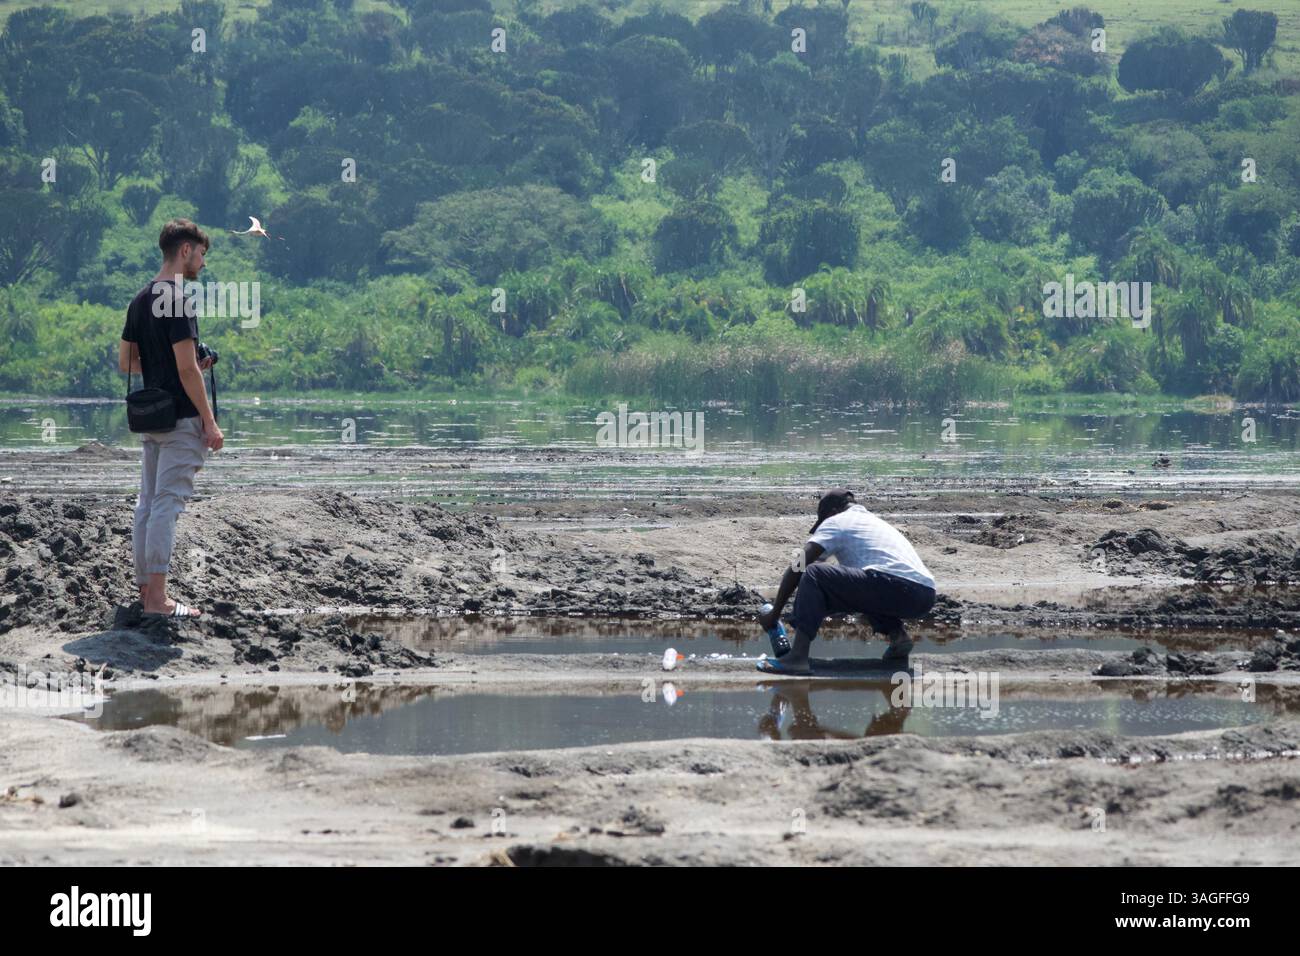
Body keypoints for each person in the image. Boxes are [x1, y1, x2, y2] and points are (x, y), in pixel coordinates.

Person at [118, 219, 224, 618]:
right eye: (201, 254)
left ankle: (147, 592)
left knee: (148, 503)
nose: (202, 262)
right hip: (180, 419)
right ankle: (159, 601)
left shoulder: (140, 299)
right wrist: (209, 422)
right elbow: (186, 370)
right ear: (185, 251)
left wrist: (173, 360)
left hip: (151, 419)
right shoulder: (178, 299)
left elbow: (127, 362)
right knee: (166, 503)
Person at [756, 489, 936, 675]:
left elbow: (799, 565)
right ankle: (898, 638)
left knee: (813, 572)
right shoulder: (874, 522)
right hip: (924, 594)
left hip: (892, 585)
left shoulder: (836, 522)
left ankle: (797, 658)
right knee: (864, 583)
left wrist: (774, 614)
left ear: (832, 512)